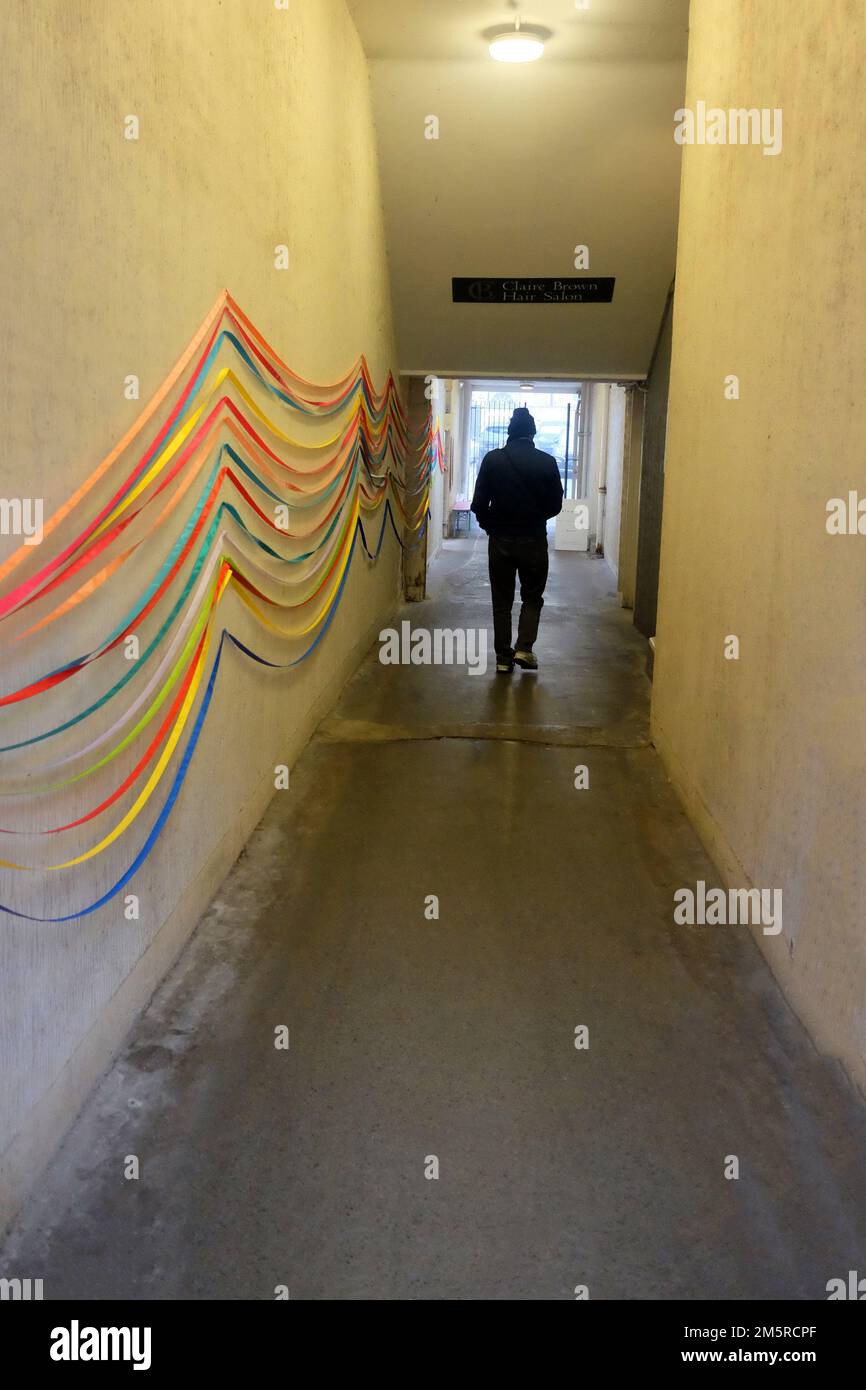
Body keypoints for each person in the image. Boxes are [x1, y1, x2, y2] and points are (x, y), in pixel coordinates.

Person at [470, 407, 564, 673]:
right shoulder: (547, 462)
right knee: (532, 596)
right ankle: (524, 648)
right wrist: (534, 519)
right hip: (533, 539)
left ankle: (502, 658)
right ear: (532, 433)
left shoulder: (493, 460)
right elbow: (556, 505)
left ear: (509, 433)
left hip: (500, 540)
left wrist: (491, 526)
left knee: (501, 600)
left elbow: (478, 504)